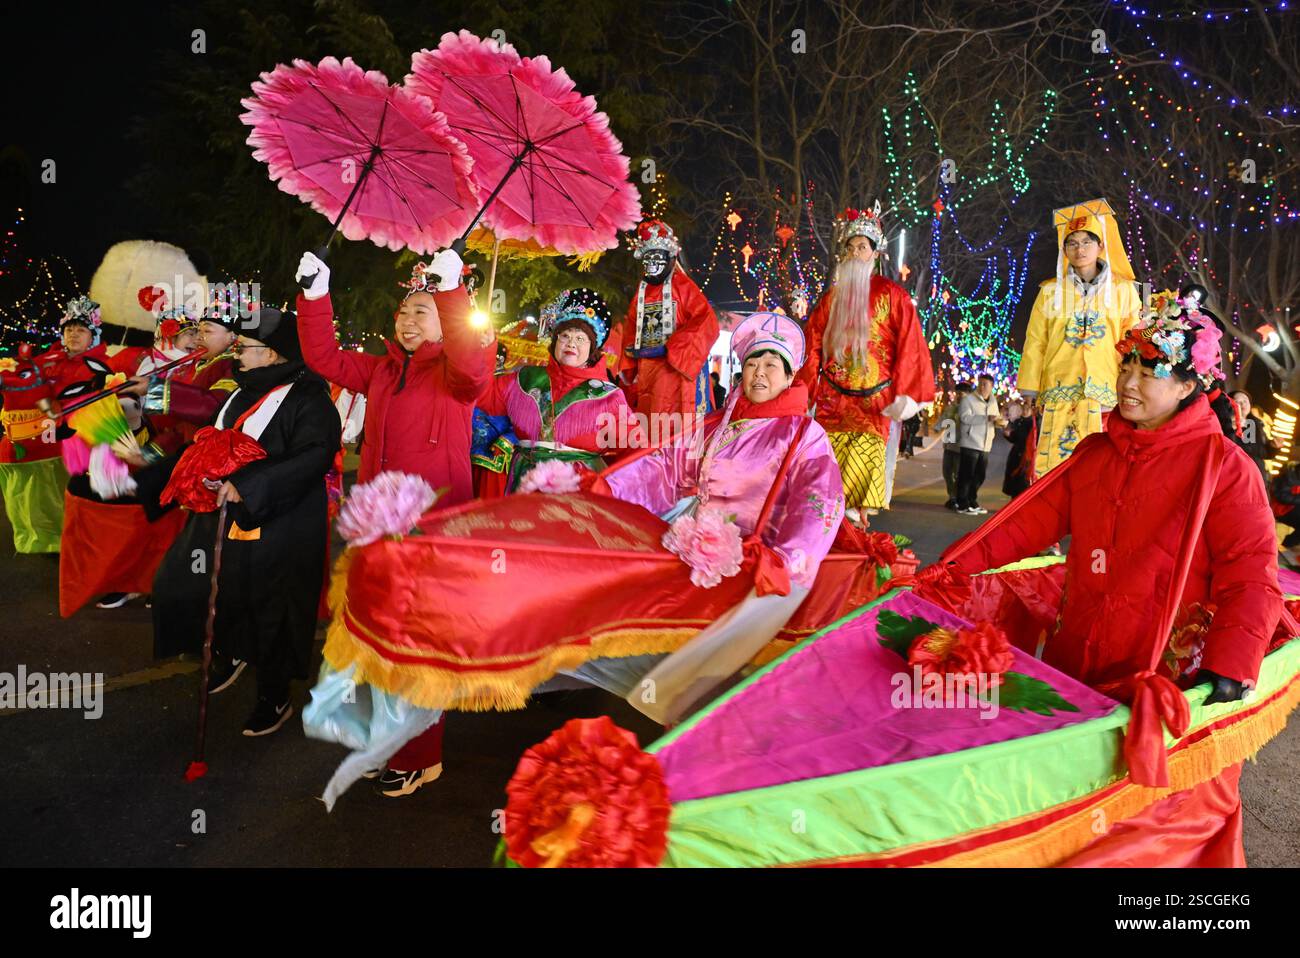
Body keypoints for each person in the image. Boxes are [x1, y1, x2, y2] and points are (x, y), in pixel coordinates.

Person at [930, 291, 1281, 864]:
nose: (1131, 382)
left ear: (1190, 385)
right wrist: (946, 571)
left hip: (1163, 685)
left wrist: (1231, 664)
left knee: (1151, 839)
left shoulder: (1223, 467)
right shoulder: (1095, 454)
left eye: (1152, 371)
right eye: (1128, 364)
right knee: (1061, 816)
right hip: (1078, 668)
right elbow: (1020, 527)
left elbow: (1251, 573)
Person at [294, 247, 494, 797]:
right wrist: (315, 295)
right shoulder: (381, 370)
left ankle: (422, 753)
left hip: (432, 532)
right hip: (379, 532)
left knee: (420, 642)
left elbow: (475, 364)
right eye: (405, 311)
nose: (409, 321)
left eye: (423, 312)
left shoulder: (458, 373)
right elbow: (325, 358)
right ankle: (393, 742)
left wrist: (452, 292)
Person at [140, 305, 340, 738]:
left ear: (272, 354)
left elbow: (313, 456)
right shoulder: (240, 390)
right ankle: (229, 655)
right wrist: (158, 470)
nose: (237, 353)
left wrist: (248, 485)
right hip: (233, 517)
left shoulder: (310, 399)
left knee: (275, 606)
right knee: (227, 591)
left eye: (246, 347)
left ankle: (275, 693)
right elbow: (212, 442)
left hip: (284, 522)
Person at [796, 203, 936, 522]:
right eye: (851, 247)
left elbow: (911, 345)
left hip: (873, 407)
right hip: (831, 405)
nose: (856, 253)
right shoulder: (831, 299)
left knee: (859, 497)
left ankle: (855, 554)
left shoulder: (892, 295)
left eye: (862, 247)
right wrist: (804, 392)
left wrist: (908, 394)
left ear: (874, 253)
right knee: (824, 489)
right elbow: (812, 344)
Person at [0, 297, 141, 553]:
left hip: (66, 442)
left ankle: (68, 539)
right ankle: (37, 538)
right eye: (69, 329)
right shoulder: (45, 360)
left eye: (81, 330)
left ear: (93, 335)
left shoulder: (100, 368)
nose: (73, 335)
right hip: (30, 439)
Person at [1018, 199, 1141, 477]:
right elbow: (1036, 340)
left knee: (1102, 469)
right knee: (1055, 468)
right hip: (1058, 388)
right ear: (1064, 249)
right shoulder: (1050, 291)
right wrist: (1029, 388)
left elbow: (1132, 341)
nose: (1079, 249)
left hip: (1105, 392)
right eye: (1072, 243)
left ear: (1100, 246)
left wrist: (1133, 386)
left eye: (1087, 241)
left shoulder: (1123, 291)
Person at [475, 287, 641, 492]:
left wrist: (609, 486)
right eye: (565, 336)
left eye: (580, 338)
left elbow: (637, 452)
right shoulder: (525, 379)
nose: (571, 343)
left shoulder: (609, 397)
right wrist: (484, 351)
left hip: (580, 493)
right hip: (525, 487)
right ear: (555, 341)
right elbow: (480, 394)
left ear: (593, 348)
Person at [614, 219, 719, 428]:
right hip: (648, 372)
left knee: (678, 430)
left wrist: (673, 349)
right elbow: (632, 325)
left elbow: (707, 322)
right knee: (650, 425)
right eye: (647, 257)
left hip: (678, 370)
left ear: (671, 259)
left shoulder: (683, 286)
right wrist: (629, 358)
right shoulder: (641, 291)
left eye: (657, 256)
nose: (651, 262)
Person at [955, 374, 1000, 515]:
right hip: (970, 442)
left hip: (986, 444)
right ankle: (962, 503)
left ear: (992, 387)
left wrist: (1000, 422)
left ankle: (972, 501)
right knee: (966, 474)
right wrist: (985, 418)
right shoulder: (968, 400)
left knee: (980, 475)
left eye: (985, 384)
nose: (982, 386)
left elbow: (995, 418)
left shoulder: (993, 402)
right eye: (980, 383)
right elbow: (965, 418)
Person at [1231, 389, 1277, 485]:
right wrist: (1233, 429)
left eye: (1245, 401)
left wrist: (1273, 446)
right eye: (1238, 401)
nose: (1243, 404)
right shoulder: (1226, 424)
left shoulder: (1253, 424)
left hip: (1258, 476)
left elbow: (1260, 453)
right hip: (1237, 478)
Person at [937, 383, 971, 510]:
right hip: (949, 446)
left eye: (961, 394)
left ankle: (958, 498)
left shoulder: (970, 410)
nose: (958, 396)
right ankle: (952, 497)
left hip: (961, 447)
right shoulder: (951, 407)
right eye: (957, 394)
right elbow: (945, 423)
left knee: (957, 474)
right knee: (946, 472)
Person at [1001, 400, 1036, 499]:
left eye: (1027, 409)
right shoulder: (1018, 421)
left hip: (1025, 455)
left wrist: (1011, 434)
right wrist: (1007, 435)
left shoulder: (1032, 423)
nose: (1025, 411)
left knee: (1022, 481)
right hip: (1016, 454)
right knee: (1014, 479)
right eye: (1023, 408)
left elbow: (1026, 438)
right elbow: (1014, 439)